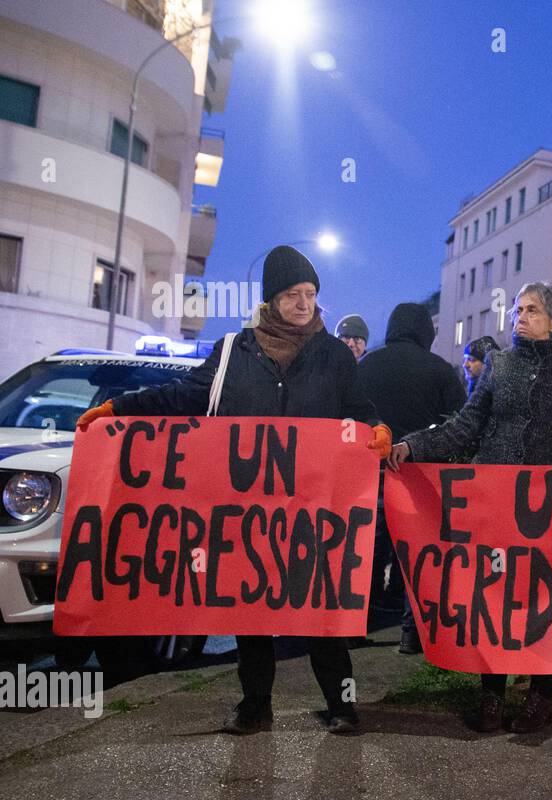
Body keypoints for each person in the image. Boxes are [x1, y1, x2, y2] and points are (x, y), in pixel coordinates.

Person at [77, 245, 391, 735]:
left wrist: (376, 429)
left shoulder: (333, 355)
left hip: (313, 508)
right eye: (293, 294)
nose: (304, 304)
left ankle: (341, 703)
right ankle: (254, 705)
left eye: (310, 294)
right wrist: (120, 410)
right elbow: (182, 397)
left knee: (321, 610)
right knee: (251, 609)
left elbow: (359, 410)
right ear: (271, 299)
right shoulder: (231, 353)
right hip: (246, 511)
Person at [388, 282, 552, 734]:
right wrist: (414, 446)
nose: (521, 316)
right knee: (493, 601)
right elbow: (465, 428)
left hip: (547, 514)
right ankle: (491, 697)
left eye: (532, 310)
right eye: (517, 309)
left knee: (545, 604)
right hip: (495, 508)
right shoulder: (500, 363)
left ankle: (541, 698)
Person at [357, 302, 466, 654]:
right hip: (418, 474)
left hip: (368, 472)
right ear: (427, 333)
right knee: (413, 553)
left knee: (366, 550)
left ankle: (356, 624)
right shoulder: (440, 371)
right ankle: (410, 633)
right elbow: (459, 424)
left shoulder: (367, 364)